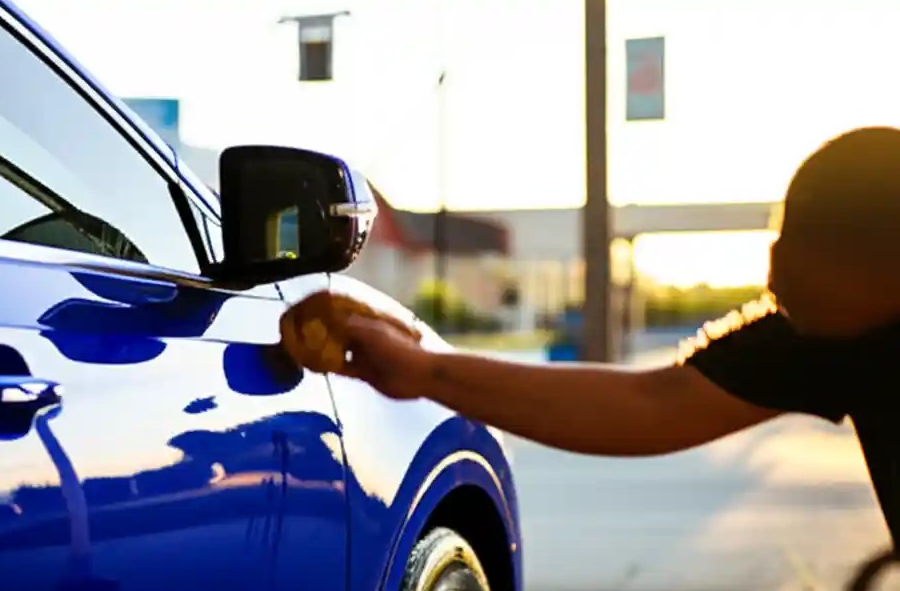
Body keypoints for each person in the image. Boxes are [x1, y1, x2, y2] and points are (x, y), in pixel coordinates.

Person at [337, 126, 900, 542]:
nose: (774, 278)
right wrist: (424, 370)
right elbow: (652, 405)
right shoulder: (831, 339)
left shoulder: (840, 331)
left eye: (803, 255)